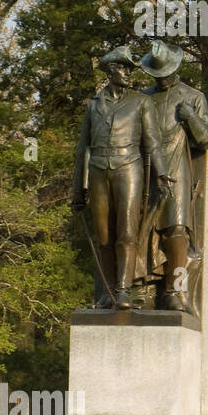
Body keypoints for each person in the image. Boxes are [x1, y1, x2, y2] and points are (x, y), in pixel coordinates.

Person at [73, 46, 165, 310]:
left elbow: (153, 143)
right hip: (99, 170)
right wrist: (78, 191)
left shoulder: (141, 102)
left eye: (129, 69)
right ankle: (107, 293)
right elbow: (82, 149)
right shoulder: (93, 106)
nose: (128, 73)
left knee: (126, 232)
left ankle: (123, 291)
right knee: (103, 237)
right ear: (111, 71)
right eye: (124, 68)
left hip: (129, 167)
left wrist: (162, 173)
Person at [138, 41, 208, 312]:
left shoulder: (193, 97)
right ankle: (143, 291)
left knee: (177, 230)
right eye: (158, 75)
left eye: (167, 72)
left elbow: (206, 140)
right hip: (146, 172)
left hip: (178, 169)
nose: (163, 79)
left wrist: (191, 117)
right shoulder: (143, 99)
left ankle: (176, 291)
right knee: (140, 231)